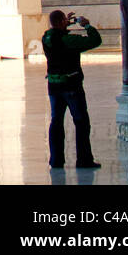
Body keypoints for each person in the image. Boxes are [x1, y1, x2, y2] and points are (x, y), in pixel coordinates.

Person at [42, 10, 102, 169]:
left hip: (54, 86)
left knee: (56, 122)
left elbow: (54, 32)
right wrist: (87, 25)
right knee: (81, 122)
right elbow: (95, 40)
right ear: (62, 22)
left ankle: (56, 160)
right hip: (71, 86)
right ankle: (83, 160)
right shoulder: (69, 40)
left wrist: (64, 24)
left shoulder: (46, 37)